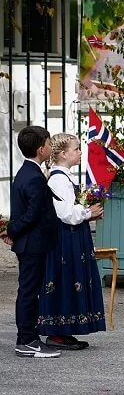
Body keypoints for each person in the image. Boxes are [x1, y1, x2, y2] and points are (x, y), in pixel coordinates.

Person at [37, 133, 106, 350]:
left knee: (70, 279)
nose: (79, 152)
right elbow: (65, 213)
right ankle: (57, 331)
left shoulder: (64, 177)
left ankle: (65, 329)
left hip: (71, 236)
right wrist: (87, 212)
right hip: (65, 238)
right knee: (64, 280)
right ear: (63, 154)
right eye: (76, 149)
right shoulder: (58, 180)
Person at [0, 126, 60, 358]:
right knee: (28, 293)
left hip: (29, 243)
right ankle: (26, 340)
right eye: (47, 143)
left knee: (29, 291)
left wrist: (12, 230)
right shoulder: (33, 176)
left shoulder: (25, 172)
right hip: (32, 244)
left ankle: (29, 338)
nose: (49, 146)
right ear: (40, 149)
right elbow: (32, 213)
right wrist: (10, 230)